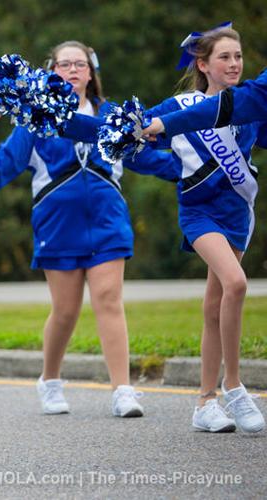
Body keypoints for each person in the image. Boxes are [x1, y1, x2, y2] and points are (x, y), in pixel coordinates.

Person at [0, 41, 177, 419]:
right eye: (65, 64)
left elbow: (143, 158)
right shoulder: (35, 120)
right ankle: (49, 379)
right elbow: (4, 162)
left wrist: (188, 169)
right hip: (57, 225)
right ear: (52, 71)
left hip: (108, 222)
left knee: (109, 299)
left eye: (81, 64)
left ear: (92, 73)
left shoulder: (112, 115)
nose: (73, 70)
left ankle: (122, 389)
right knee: (65, 311)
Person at [141, 25, 264, 433]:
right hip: (199, 214)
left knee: (214, 308)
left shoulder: (247, 105)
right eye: (225, 57)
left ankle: (204, 403)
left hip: (237, 215)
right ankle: (234, 386)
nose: (234, 64)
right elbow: (136, 140)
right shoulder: (179, 105)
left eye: (239, 56)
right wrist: (175, 169)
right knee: (237, 284)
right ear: (203, 63)